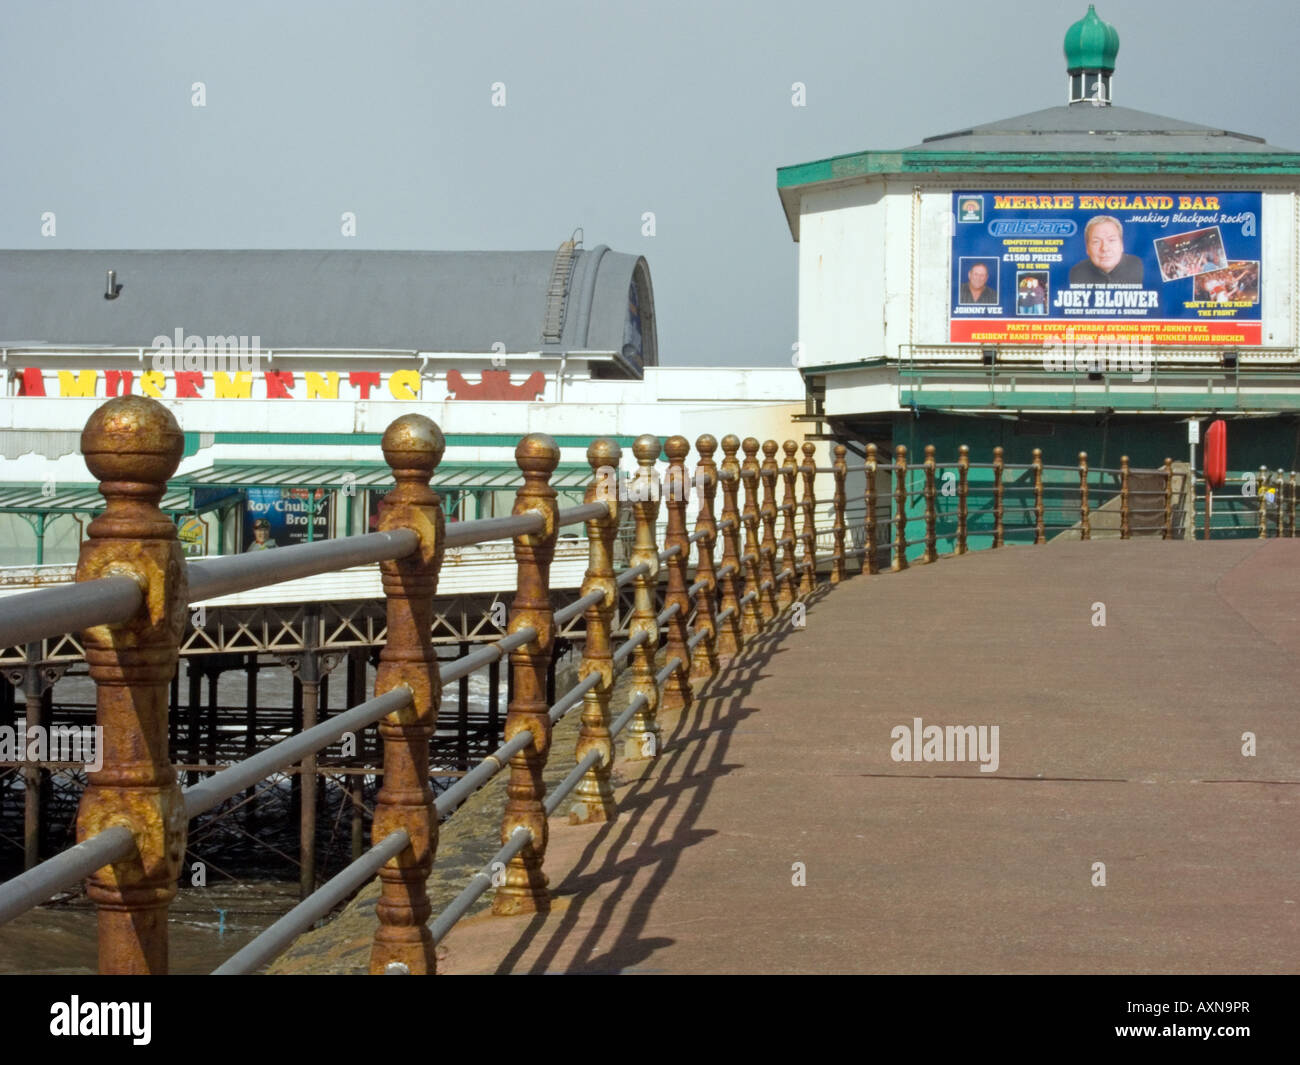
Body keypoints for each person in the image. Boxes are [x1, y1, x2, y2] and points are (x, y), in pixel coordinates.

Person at [1069, 215, 1144, 285]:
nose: (1104, 248)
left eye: (1111, 240)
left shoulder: (1140, 267)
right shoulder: (1077, 273)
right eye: (1096, 242)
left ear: (1122, 245)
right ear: (1087, 248)